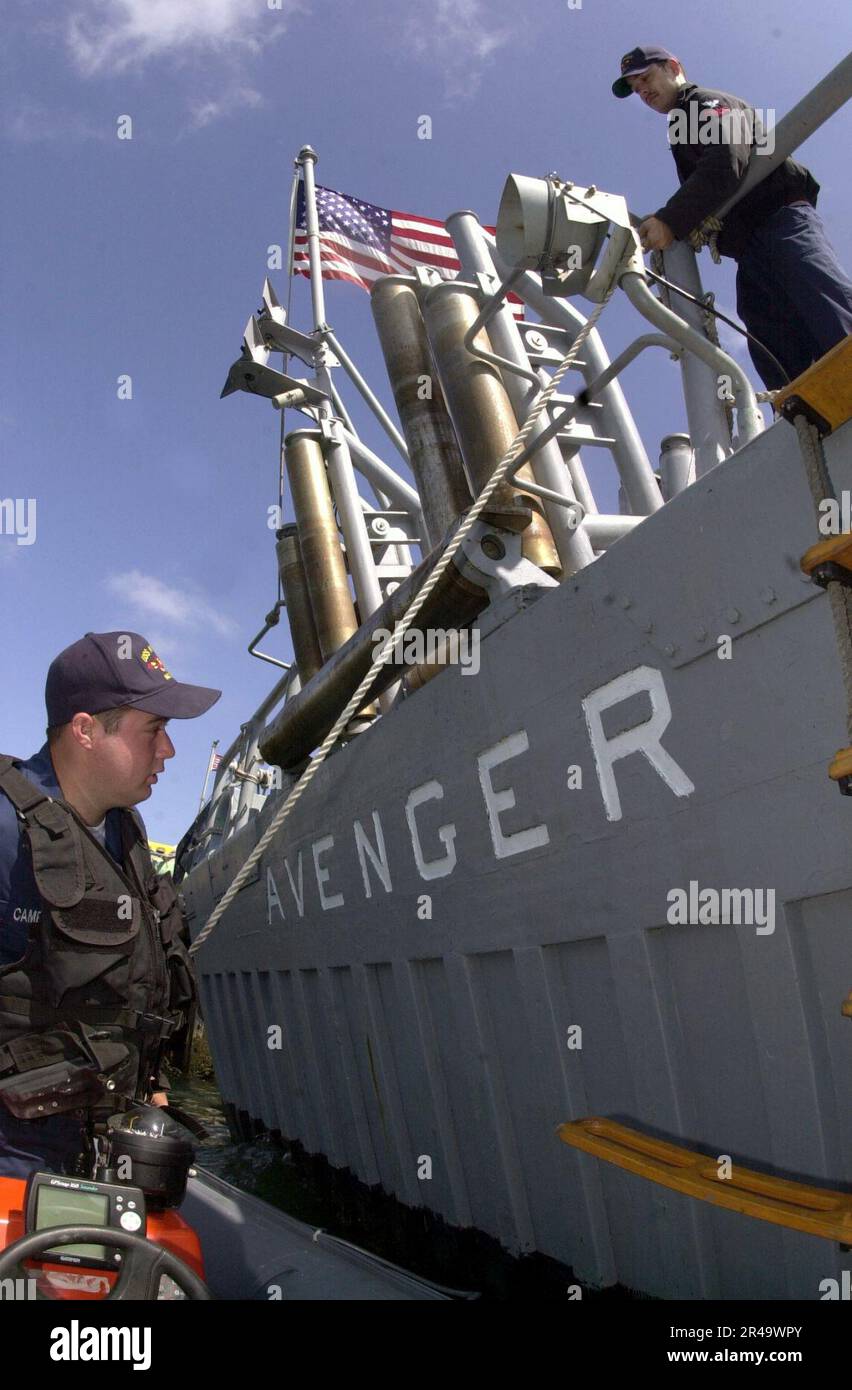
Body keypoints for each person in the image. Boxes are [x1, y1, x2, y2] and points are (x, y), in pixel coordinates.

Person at [0, 631, 221, 1179]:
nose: (168, 750)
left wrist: (155, 1091)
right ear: (85, 731)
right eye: (155, 729)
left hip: (101, 1157)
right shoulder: (8, 832)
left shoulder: (126, 838)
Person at [612, 45, 852, 389]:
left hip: (779, 221)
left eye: (646, 78)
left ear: (673, 66)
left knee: (825, 304)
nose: (643, 92)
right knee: (771, 341)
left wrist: (671, 220)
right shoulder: (681, 124)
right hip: (750, 247)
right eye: (636, 89)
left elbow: (726, 159)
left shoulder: (701, 103)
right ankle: (804, 421)